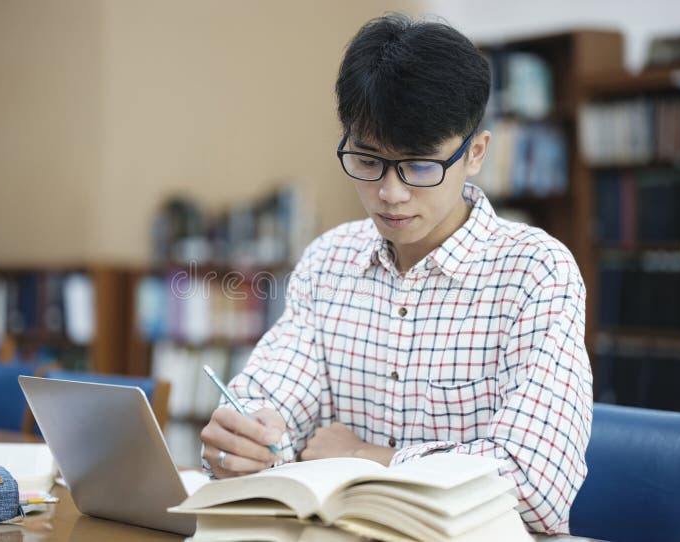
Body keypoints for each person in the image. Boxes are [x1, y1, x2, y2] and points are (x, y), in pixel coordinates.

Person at [199, 13, 592, 535]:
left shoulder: (536, 273)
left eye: (420, 165)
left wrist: (371, 459)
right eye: (368, 159)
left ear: (475, 153)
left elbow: (538, 485)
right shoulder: (329, 261)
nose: (391, 193)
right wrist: (245, 434)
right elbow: (272, 395)